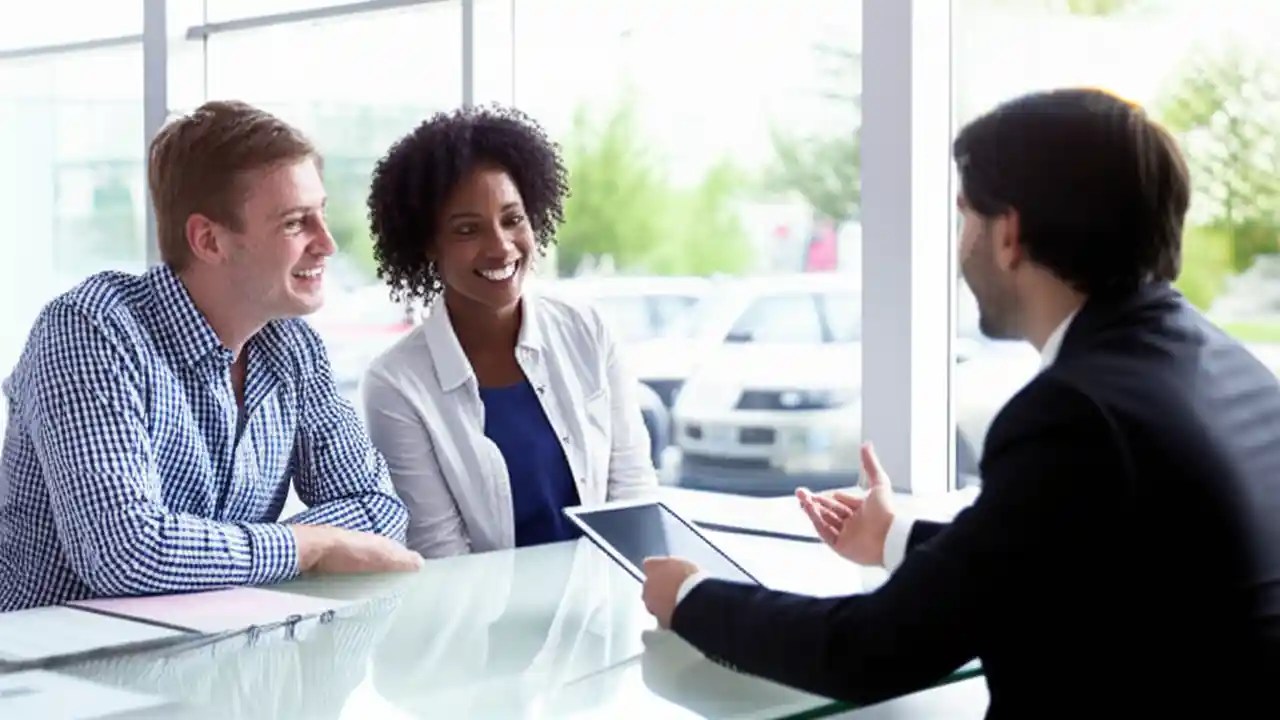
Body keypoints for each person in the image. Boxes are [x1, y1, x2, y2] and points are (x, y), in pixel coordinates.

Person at [640, 88, 1280, 716]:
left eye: (965, 216)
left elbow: (869, 650)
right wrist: (895, 537)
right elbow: (1048, 551)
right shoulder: (1231, 371)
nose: (960, 245)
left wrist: (691, 598)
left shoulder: (1075, 413)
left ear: (1009, 234)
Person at [0, 100, 421, 613]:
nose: (327, 243)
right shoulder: (91, 331)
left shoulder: (294, 348)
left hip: (216, 666)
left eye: (322, 214)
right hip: (65, 674)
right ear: (209, 240)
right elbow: (124, 551)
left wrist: (231, 552)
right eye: (294, 223)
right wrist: (309, 547)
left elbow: (378, 509)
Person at [360, 105, 658, 559]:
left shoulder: (587, 330)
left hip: (602, 611)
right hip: (483, 624)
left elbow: (632, 491)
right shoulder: (396, 384)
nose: (500, 246)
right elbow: (441, 554)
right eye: (467, 229)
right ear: (428, 245)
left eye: (512, 219)